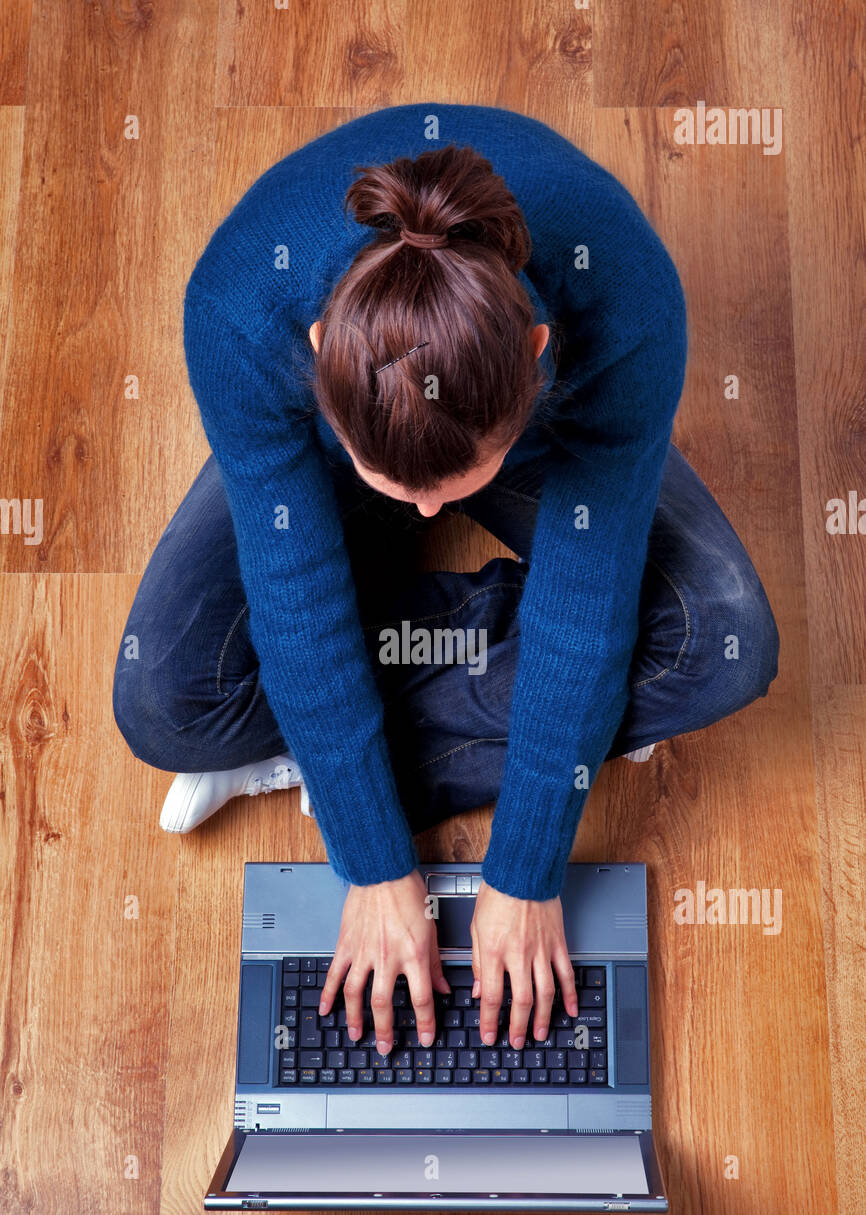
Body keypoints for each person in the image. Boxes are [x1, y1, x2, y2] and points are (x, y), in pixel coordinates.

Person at [113, 102, 779, 1059]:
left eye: (448, 495)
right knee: (158, 703)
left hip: (540, 441)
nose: (428, 521)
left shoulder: (627, 305)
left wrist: (527, 869)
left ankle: (320, 747)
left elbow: (589, 603)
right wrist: (373, 865)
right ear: (315, 355)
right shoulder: (238, 310)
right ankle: (368, 732)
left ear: (539, 354)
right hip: (325, 445)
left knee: (728, 640)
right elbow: (291, 584)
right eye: (404, 497)